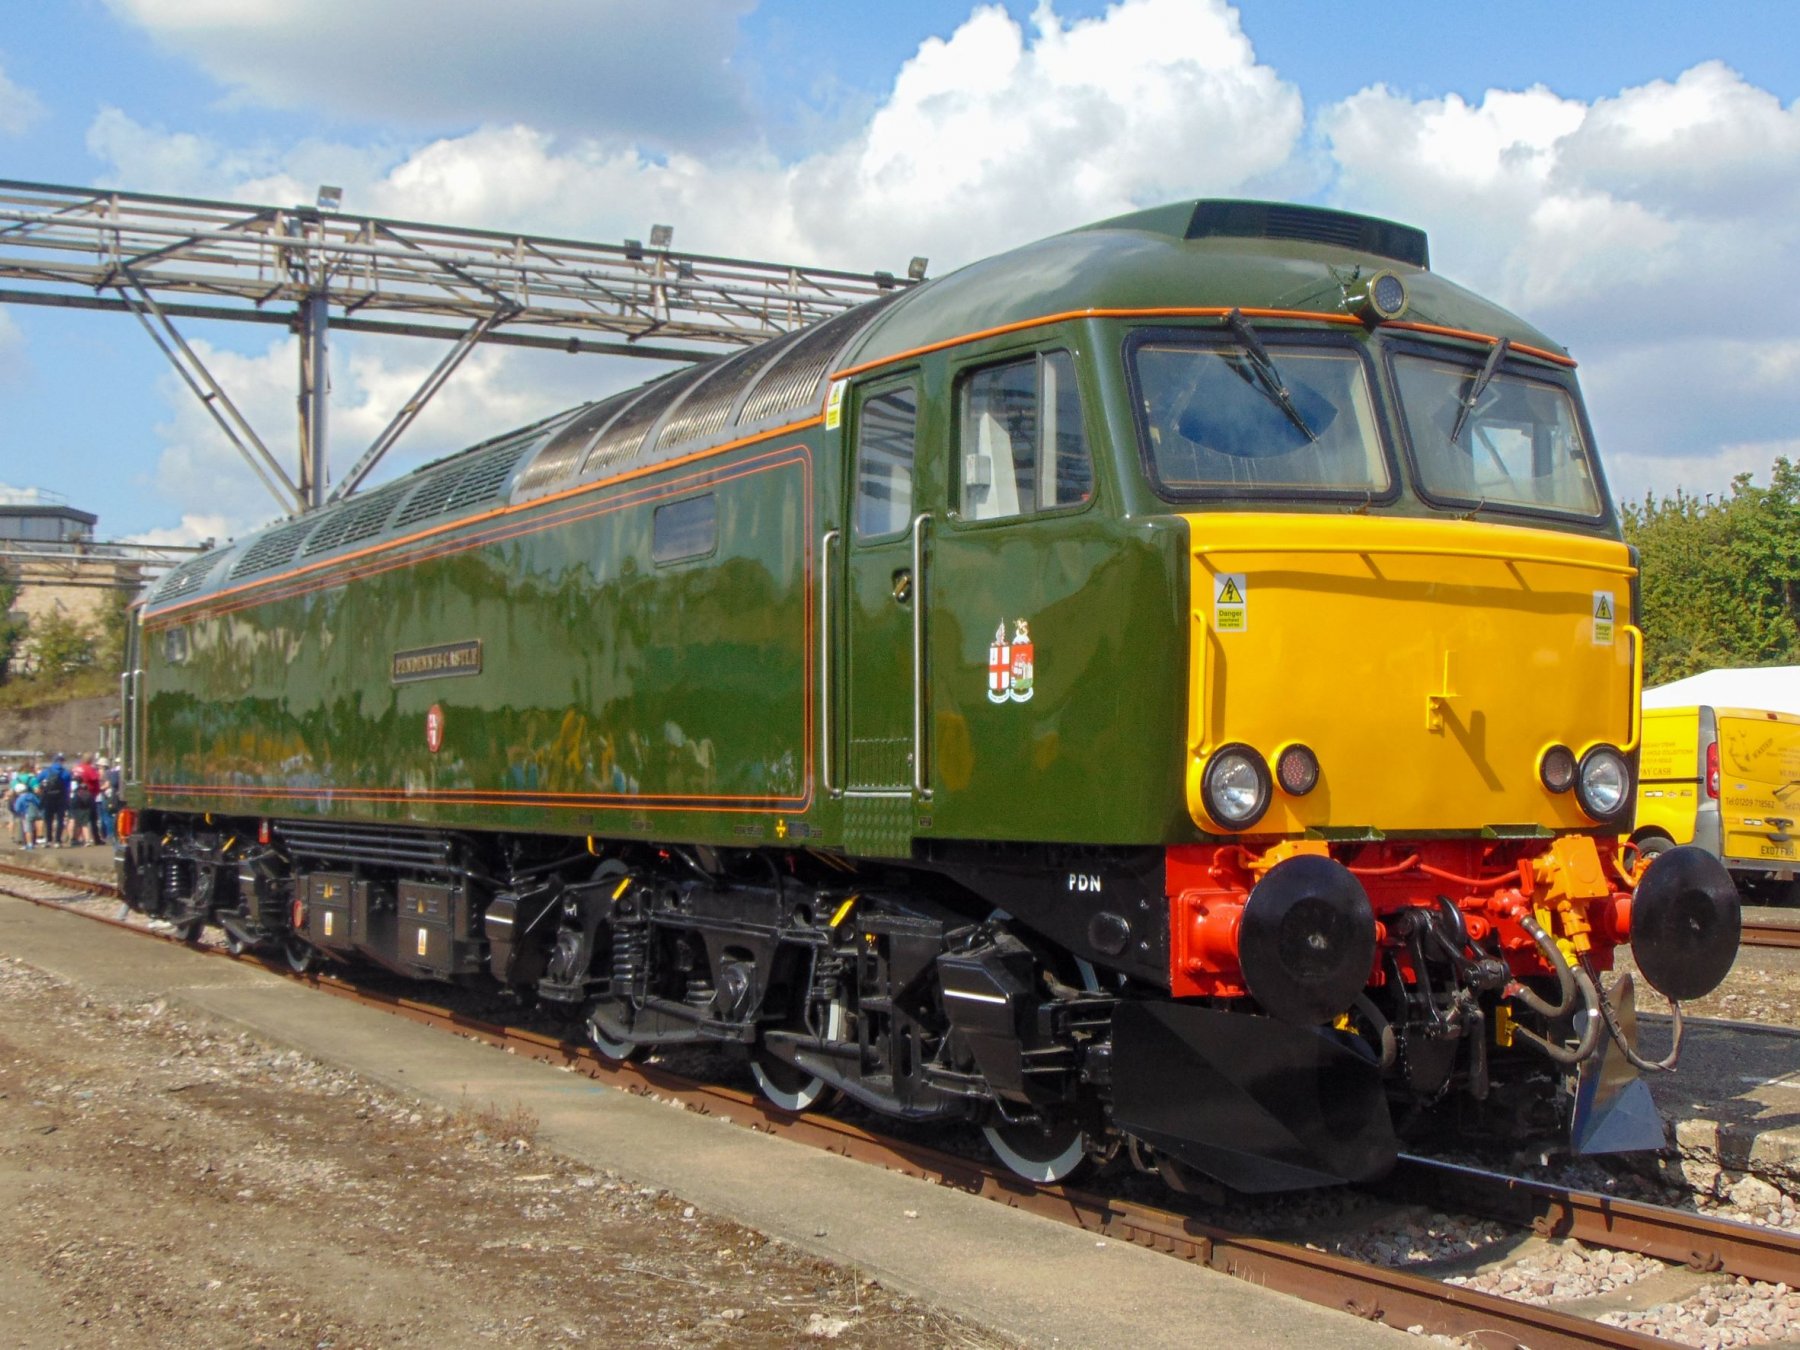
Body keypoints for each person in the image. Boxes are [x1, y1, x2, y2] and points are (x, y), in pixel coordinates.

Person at [37, 753, 70, 847]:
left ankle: (48, 840)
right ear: (62, 761)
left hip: (48, 798)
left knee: (48, 820)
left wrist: (41, 789)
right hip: (61, 798)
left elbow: (36, 780)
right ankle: (58, 841)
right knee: (60, 820)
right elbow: (68, 788)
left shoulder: (46, 771)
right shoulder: (66, 773)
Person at [71, 753, 102, 846]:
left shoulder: (76, 768)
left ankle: (75, 839)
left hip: (76, 795)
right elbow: (95, 778)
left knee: (75, 818)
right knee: (90, 818)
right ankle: (92, 839)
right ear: (90, 760)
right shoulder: (89, 768)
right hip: (88, 796)